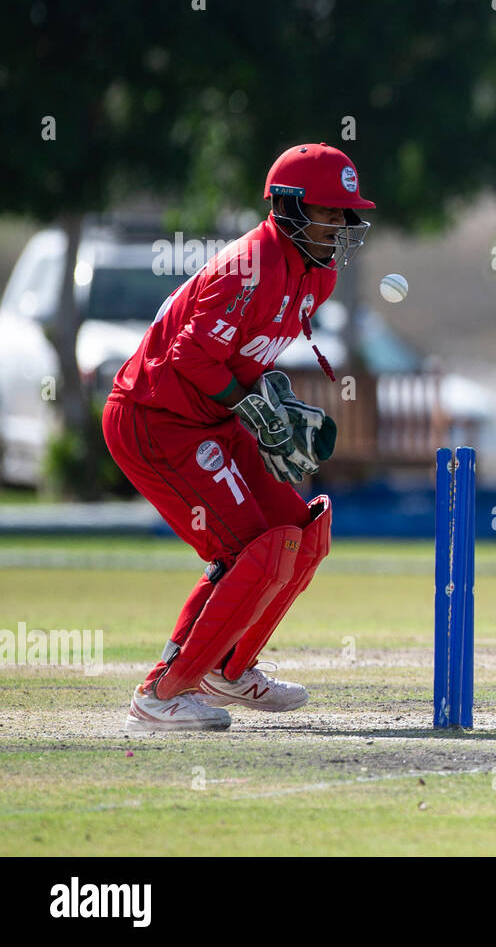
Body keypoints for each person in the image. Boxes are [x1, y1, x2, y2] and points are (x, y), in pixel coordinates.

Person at [102, 142, 374, 731]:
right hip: (156, 417)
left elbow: (243, 355)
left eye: (343, 214)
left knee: (302, 531)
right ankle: (161, 693)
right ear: (286, 206)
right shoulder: (246, 266)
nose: (338, 225)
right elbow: (192, 360)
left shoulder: (316, 277)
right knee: (250, 546)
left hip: (210, 417)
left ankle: (227, 670)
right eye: (327, 211)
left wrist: (270, 399)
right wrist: (252, 407)